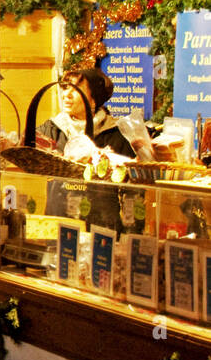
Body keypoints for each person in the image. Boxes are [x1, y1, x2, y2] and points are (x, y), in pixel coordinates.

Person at [36, 68, 144, 235]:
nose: (67, 94)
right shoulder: (51, 129)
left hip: (101, 227)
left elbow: (133, 188)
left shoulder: (116, 134)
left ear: (94, 99)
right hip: (58, 222)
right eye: (65, 87)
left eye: (76, 89)